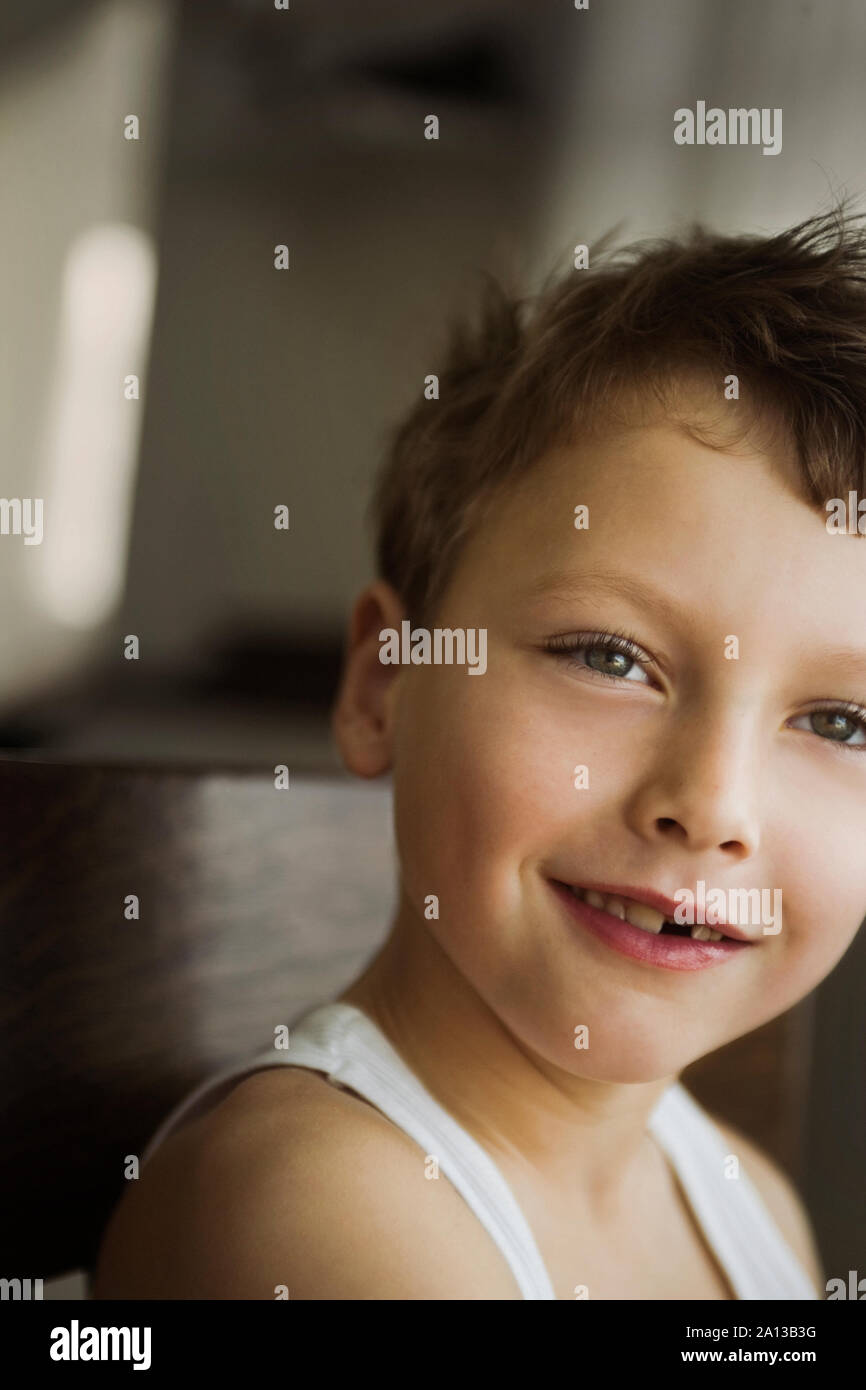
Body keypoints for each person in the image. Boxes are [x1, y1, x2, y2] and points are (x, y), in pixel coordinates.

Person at [93, 205, 866, 1300]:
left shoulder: (749, 1208)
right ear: (383, 684)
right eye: (607, 657)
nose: (709, 803)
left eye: (840, 722)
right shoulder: (316, 1210)